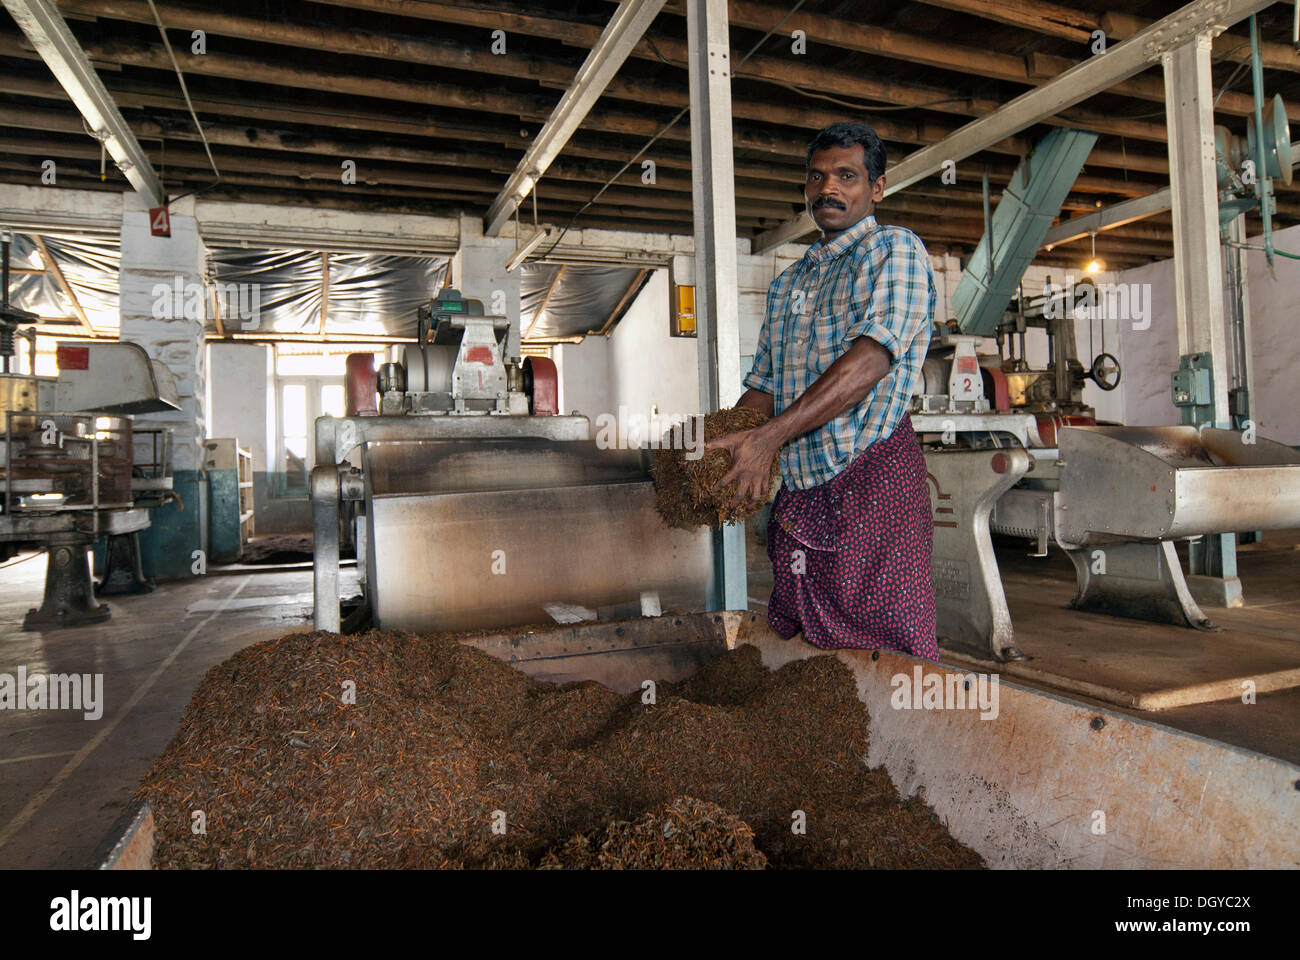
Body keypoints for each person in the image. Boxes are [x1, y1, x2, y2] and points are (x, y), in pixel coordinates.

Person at [708, 120, 938, 659]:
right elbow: (764, 387)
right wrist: (716, 446)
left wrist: (768, 440)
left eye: (846, 175)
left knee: (885, 645)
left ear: (876, 188)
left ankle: (901, 743)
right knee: (807, 645)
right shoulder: (791, 280)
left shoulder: (893, 250)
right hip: (801, 492)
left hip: (872, 480)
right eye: (816, 176)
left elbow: (869, 361)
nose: (828, 188)